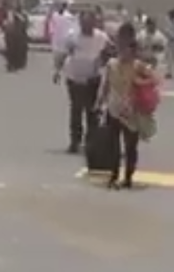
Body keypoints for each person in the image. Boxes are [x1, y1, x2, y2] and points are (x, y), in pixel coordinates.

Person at [96, 23, 155, 189]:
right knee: (112, 146)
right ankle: (114, 175)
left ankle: (128, 176)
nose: (123, 51)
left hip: (132, 112)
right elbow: (105, 85)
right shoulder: (112, 64)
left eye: (127, 48)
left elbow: (154, 80)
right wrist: (99, 103)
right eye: (121, 47)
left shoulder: (138, 66)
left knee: (130, 147)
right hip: (113, 110)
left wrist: (140, 82)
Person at [54, 11, 111, 154]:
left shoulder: (101, 37)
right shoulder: (72, 36)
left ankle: (91, 142)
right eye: (84, 23)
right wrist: (57, 71)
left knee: (92, 112)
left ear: (94, 23)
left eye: (90, 23)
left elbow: (110, 51)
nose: (87, 26)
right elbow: (63, 54)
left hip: (93, 78)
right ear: (80, 23)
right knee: (76, 110)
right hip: (75, 78)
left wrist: (104, 61)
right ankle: (75, 141)